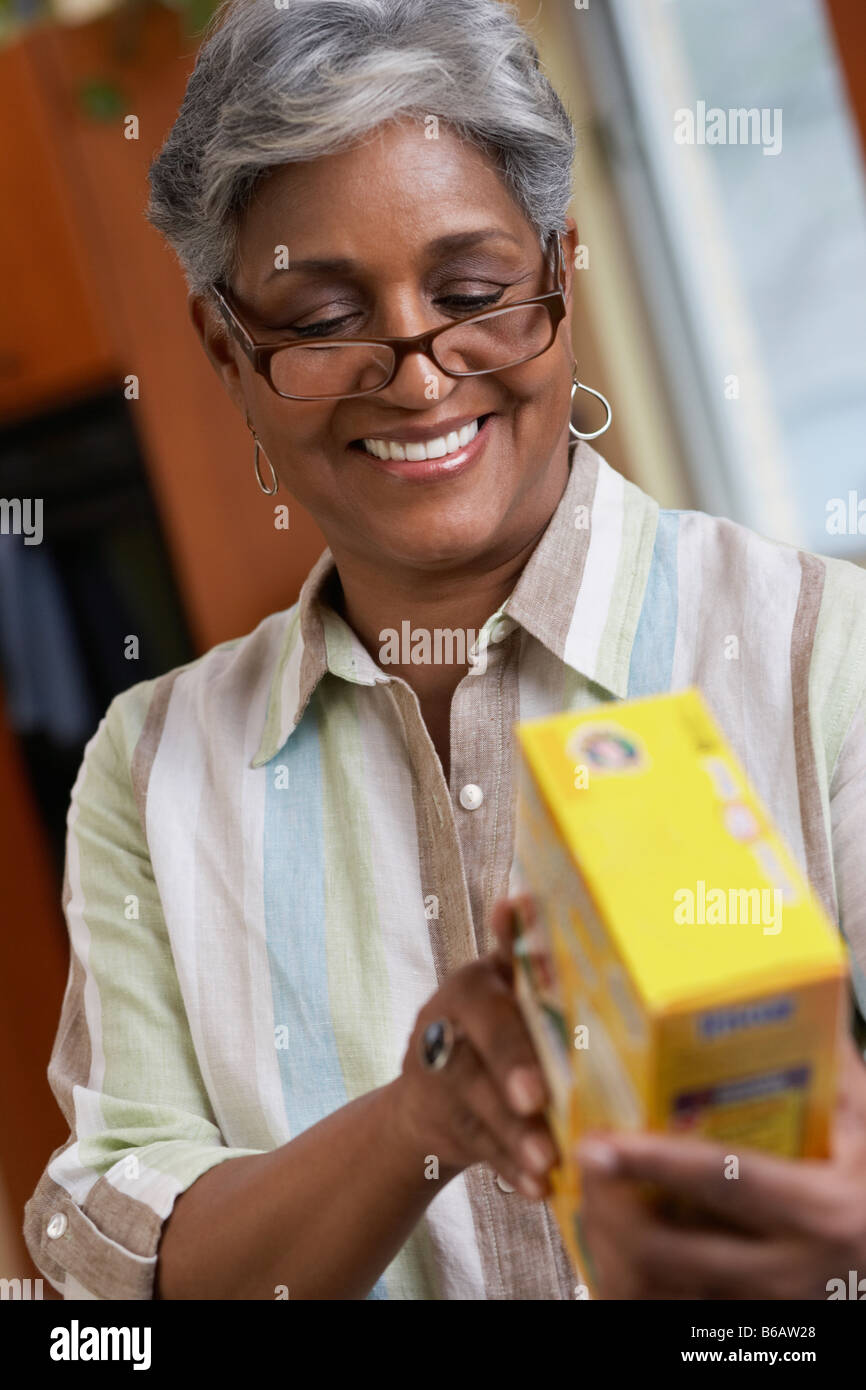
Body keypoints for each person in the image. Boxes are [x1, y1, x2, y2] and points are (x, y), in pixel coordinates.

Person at [24, 0, 866, 1300]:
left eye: (471, 292)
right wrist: (420, 1119)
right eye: (319, 318)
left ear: (559, 271)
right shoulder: (155, 769)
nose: (417, 378)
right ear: (224, 350)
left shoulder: (821, 651)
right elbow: (117, 1276)